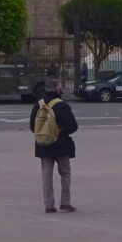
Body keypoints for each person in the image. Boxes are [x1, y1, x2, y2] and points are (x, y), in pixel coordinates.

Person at [29, 79, 79, 213]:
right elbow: (72, 127)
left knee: (46, 175)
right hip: (61, 145)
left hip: (43, 145)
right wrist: (59, 132)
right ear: (58, 90)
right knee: (65, 173)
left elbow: (32, 126)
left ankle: (49, 205)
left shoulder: (38, 105)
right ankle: (65, 202)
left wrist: (44, 134)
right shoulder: (62, 105)